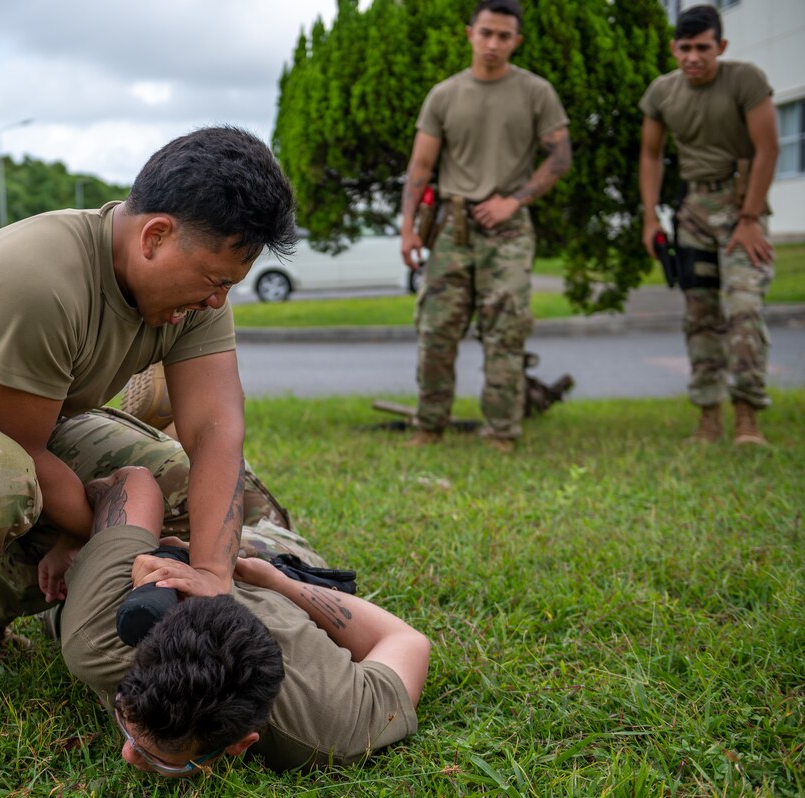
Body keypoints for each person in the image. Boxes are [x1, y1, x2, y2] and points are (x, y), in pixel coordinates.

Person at [0, 126, 297, 734]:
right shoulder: (39, 277)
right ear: (156, 236)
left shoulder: (199, 292)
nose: (215, 301)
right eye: (214, 281)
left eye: (227, 285)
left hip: (23, 433)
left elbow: (216, 431)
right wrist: (109, 522)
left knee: (182, 480)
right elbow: (15, 444)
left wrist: (211, 574)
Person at [59, 466, 433, 775]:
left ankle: (194, 442)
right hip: (216, 554)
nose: (128, 755)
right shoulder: (98, 635)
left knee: (54, 598)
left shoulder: (330, 727)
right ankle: (180, 427)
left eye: (162, 760)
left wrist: (275, 581)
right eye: (125, 720)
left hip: (266, 564)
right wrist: (77, 536)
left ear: (240, 744)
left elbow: (405, 640)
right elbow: (132, 479)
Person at [398, 0, 571, 453]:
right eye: (486, 33)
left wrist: (514, 201)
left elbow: (560, 157)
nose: (493, 43)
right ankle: (429, 425)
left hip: (508, 231)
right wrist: (409, 229)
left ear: (517, 40)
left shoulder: (536, 92)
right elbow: (420, 166)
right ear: (469, 33)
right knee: (435, 330)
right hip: (452, 228)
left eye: (504, 35)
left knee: (505, 331)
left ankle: (501, 432)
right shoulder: (445, 94)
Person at [639, 5, 779, 446]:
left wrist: (752, 218)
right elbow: (650, 155)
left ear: (720, 46)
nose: (693, 57)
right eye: (685, 48)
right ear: (673, 49)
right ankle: (707, 420)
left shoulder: (745, 80)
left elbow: (768, 148)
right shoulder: (662, 92)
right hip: (693, 212)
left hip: (741, 206)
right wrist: (649, 218)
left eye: (703, 48)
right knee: (700, 316)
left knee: (743, 309)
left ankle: (747, 419)